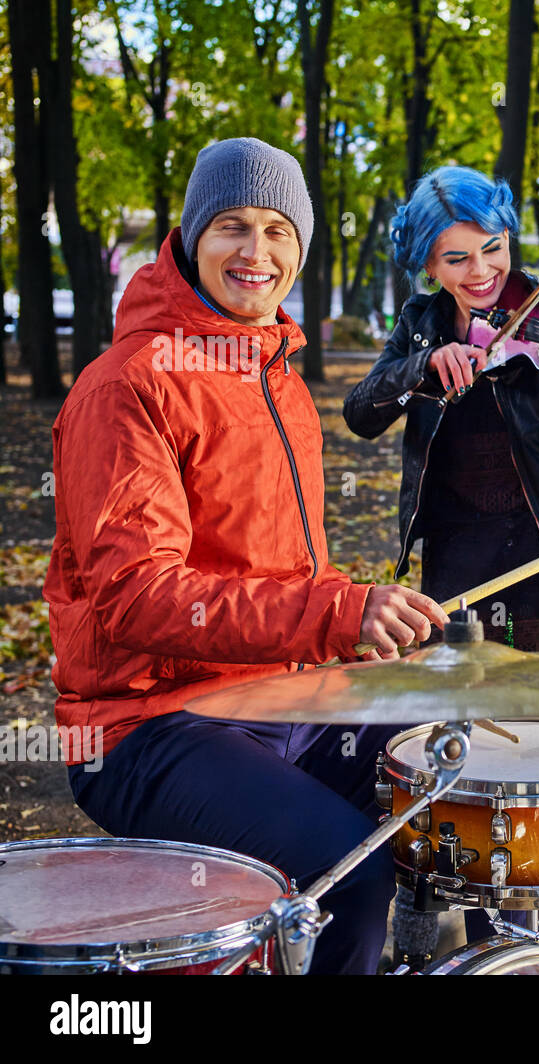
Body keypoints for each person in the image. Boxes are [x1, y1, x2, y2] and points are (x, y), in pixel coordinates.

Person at [45, 138, 446, 975]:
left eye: (276, 230)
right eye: (231, 226)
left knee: (450, 778)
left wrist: (359, 606)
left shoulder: (275, 373)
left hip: (275, 695)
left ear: (299, 248)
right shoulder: (128, 384)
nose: (254, 252)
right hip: (143, 725)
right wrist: (334, 614)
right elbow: (137, 598)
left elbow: (283, 573)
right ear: (192, 237)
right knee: (345, 869)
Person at [342, 166, 539, 946]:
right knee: (473, 757)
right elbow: (360, 411)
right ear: (429, 267)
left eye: (492, 250)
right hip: (460, 571)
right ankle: (480, 933)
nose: (481, 274)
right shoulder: (420, 322)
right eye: (457, 260)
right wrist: (419, 369)